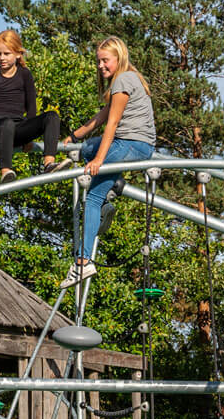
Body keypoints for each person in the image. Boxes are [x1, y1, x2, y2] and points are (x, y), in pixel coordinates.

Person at [56, 36, 157, 285]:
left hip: (128, 144)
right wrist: (72, 137)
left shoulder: (122, 80)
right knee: (87, 146)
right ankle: (110, 186)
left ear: (119, 58)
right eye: (99, 61)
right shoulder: (130, 77)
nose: (101, 66)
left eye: (105, 61)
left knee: (91, 197)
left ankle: (83, 262)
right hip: (142, 146)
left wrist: (99, 160)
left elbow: (112, 124)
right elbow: (102, 117)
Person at [0, 29, 61, 181]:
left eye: (6, 54)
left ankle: (49, 163)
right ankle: (6, 171)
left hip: (16, 129)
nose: (1, 58)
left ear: (18, 54)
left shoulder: (25, 74)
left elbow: (31, 106)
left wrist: (28, 137)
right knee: (7, 123)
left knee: (52, 116)